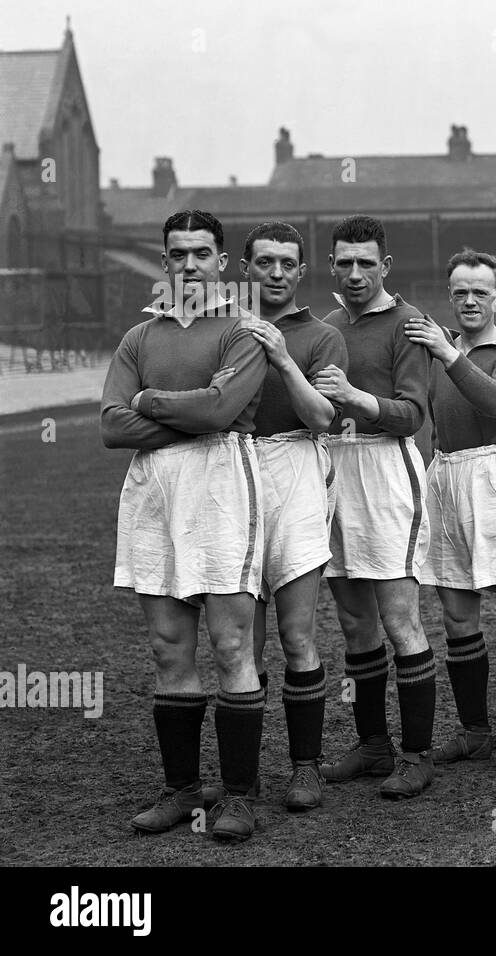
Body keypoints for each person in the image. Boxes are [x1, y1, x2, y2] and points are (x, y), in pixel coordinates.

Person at [102, 209, 269, 842]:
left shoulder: (244, 330)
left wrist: (152, 402)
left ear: (222, 261)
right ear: (165, 260)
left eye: (202, 253)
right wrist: (193, 410)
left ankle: (239, 796)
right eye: (178, 254)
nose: (190, 264)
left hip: (222, 483)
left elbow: (226, 410)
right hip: (153, 491)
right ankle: (181, 790)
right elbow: (112, 426)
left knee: (231, 646)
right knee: (169, 649)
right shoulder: (140, 337)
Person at [404, 249, 496, 777]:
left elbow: (493, 402)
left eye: (481, 292)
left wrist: (448, 353)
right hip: (446, 474)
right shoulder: (435, 351)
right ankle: (475, 733)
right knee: (457, 615)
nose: (470, 300)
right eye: (460, 291)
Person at [315, 215, 438, 800]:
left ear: (385, 266)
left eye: (367, 262)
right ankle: (372, 745)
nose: (356, 273)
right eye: (345, 262)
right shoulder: (327, 326)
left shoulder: (410, 323)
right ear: (332, 265)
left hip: (388, 469)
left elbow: (413, 414)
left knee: (399, 619)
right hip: (333, 470)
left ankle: (417, 755)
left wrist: (358, 399)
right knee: (355, 622)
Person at [232, 221, 348, 812]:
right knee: (240, 644)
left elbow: (323, 418)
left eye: (286, 264)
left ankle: (306, 770)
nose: (275, 274)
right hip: (229, 476)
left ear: (302, 271)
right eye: (264, 263)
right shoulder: (225, 327)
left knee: (297, 635)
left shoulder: (320, 336)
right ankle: (243, 785)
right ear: (245, 268)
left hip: (296, 471)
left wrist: (280, 358)